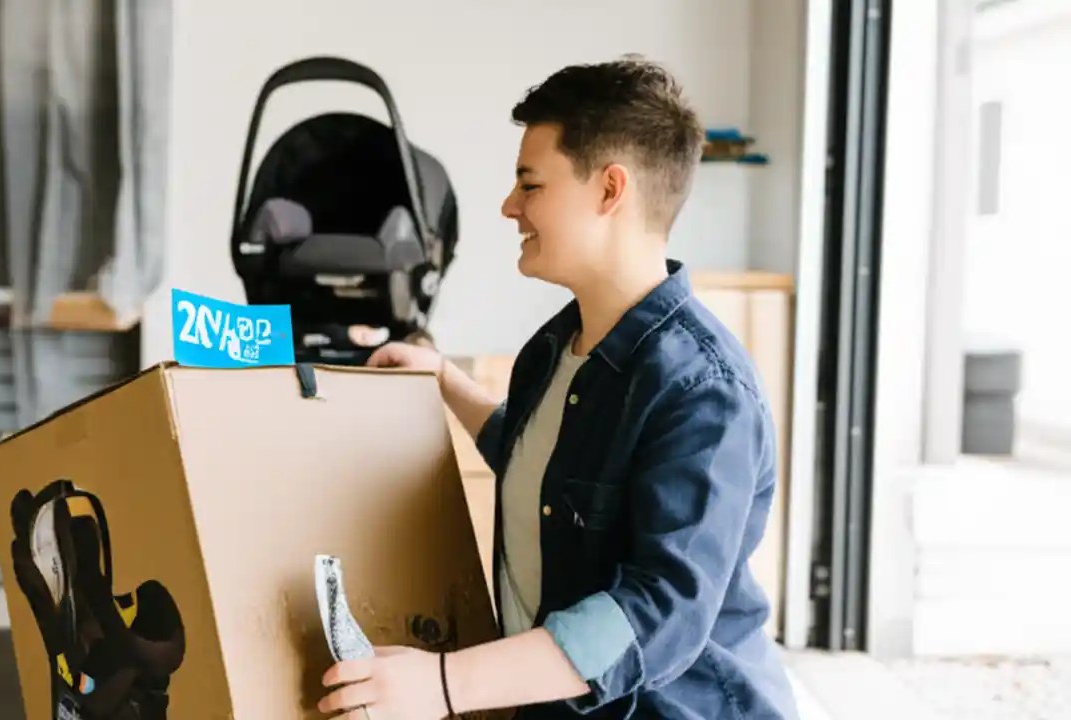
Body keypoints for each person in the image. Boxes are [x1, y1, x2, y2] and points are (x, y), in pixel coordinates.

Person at [318, 55, 800, 719]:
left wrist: (443, 685)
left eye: (530, 183)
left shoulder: (703, 393)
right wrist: (444, 380)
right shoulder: (552, 349)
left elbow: (657, 612)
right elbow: (544, 466)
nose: (509, 206)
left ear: (609, 190)